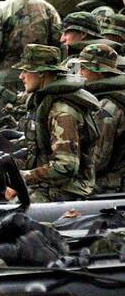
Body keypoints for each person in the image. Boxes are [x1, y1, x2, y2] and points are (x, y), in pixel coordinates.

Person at [6, 44, 99, 203]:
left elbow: (65, 166)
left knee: (12, 213)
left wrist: (23, 178)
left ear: (41, 73)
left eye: (26, 71)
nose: (21, 76)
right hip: (50, 185)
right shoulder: (46, 103)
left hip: (67, 190)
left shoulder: (62, 112)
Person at [79, 43, 125, 191]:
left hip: (112, 182)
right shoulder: (115, 95)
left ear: (98, 71)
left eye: (84, 68)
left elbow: (97, 161)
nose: (79, 73)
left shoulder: (107, 106)